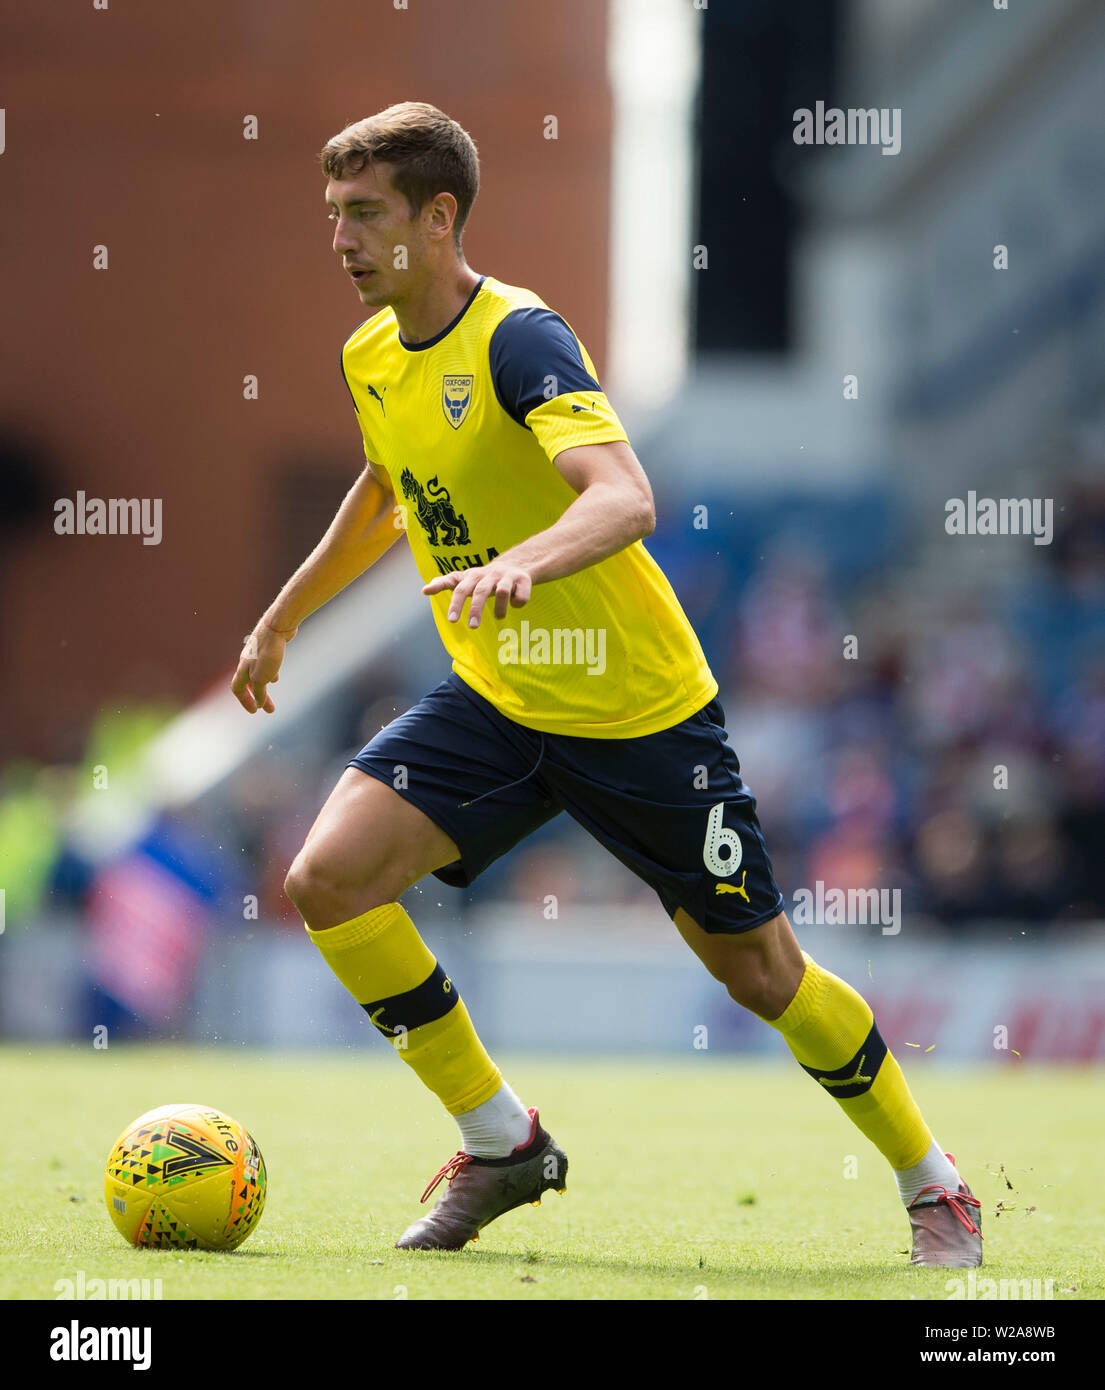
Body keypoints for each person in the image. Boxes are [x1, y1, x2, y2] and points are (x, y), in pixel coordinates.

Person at [231, 102, 981, 1266]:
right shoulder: (369, 353)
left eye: (365, 213)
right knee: (326, 878)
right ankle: (501, 1143)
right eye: (332, 214)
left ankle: (935, 1186)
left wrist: (520, 563)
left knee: (760, 973)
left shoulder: (520, 338)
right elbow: (386, 491)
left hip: (635, 710)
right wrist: (283, 616)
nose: (341, 238)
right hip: (498, 700)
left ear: (438, 219)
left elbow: (626, 495)